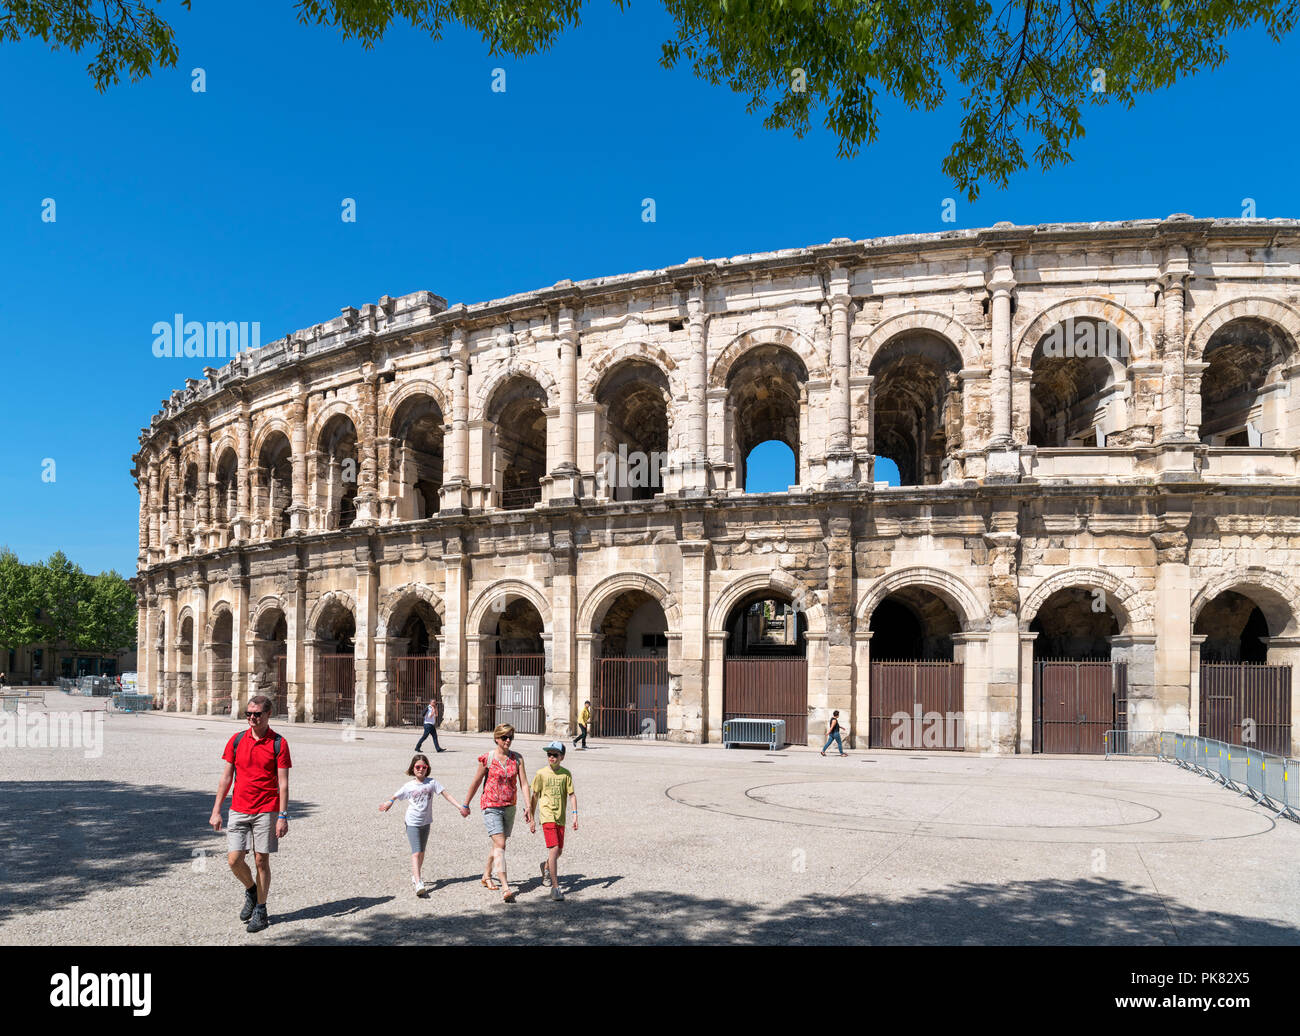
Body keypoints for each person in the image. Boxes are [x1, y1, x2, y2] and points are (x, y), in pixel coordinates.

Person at [210, 695, 291, 933]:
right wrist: (216, 810)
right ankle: (252, 890)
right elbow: (226, 777)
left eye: (256, 714)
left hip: (266, 808)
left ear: (268, 715)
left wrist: (283, 816)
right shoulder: (236, 740)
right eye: (249, 714)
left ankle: (262, 910)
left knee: (260, 860)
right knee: (234, 859)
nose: (252, 718)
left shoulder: (278, 743)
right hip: (239, 807)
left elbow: (283, 784)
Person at [379, 753, 469, 896]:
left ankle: (416, 876)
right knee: (416, 852)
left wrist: (459, 807)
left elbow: (446, 795)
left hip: (426, 822)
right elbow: (395, 796)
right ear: (413, 768)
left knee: (421, 852)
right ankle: (418, 882)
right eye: (417, 767)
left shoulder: (432, 783)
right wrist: (388, 803)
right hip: (412, 822)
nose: (420, 769)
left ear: (427, 768)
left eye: (423, 767)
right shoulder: (409, 785)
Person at [463, 723, 531, 902]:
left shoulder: (517, 759)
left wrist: (529, 805)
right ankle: (506, 887)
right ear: (496, 738)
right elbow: (476, 782)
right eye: (504, 737)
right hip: (491, 805)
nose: (508, 740)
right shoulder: (488, 758)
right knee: (500, 843)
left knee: (498, 844)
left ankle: (486, 875)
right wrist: (466, 804)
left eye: (510, 737)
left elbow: (524, 783)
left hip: (510, 806)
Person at [529, 741, 577, 901]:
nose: (551, 757)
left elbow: (571, 795)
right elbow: (535, 795)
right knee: (554, 848)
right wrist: (531, 816)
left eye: (555, 755)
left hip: (560, 817)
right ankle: (555, 888)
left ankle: (546, 867)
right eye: (549, 754)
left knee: (558, 852)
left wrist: (575, 814)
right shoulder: (541, 774)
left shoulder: (566, 774)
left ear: (562, 757)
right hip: (547, 815)